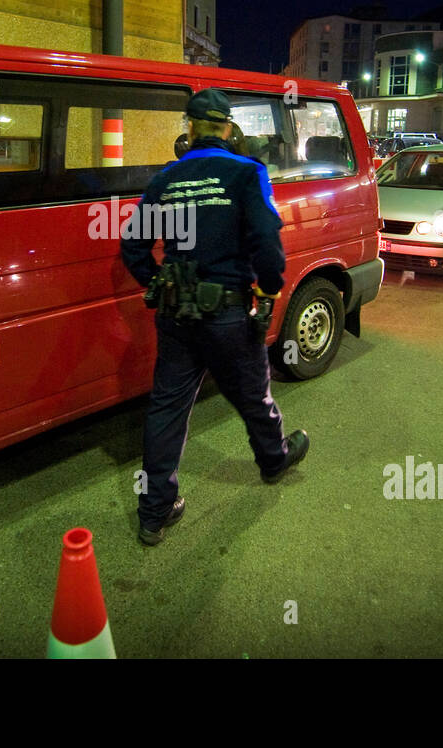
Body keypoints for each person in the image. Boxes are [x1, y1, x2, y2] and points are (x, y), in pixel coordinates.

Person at [121, 88, 309, 547]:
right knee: (251, 393)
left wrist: (158, 280)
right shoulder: (247, 173)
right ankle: (273, 458)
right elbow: (267, 240)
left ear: (189, 128)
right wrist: (268, 289)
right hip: (226, 312)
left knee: (167, 409)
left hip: (176, 313)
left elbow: (132, 246)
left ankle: (154, 512)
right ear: (227, 128)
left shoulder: (167, 178)